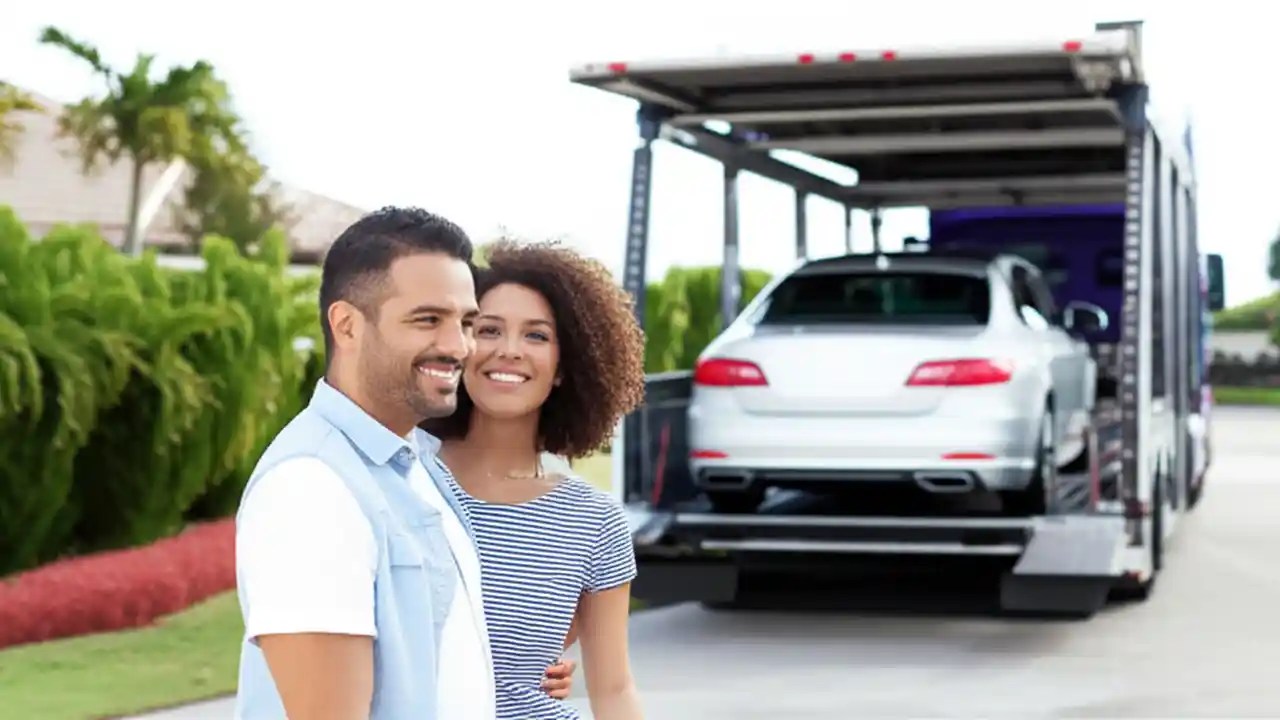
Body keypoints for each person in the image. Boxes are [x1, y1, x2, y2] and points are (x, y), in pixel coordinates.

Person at [233, 207, 576, 720]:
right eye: (428, 320)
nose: (458, 346)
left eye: (466, 322)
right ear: (347, 326)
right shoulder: (312, 488)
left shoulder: (417, 463)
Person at [422, 239, 647, 720]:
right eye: (489, 330)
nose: (509, 351)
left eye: (536, 336)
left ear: (564, 367)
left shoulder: (594, 520)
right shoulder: (407, 475)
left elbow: (614, 689)